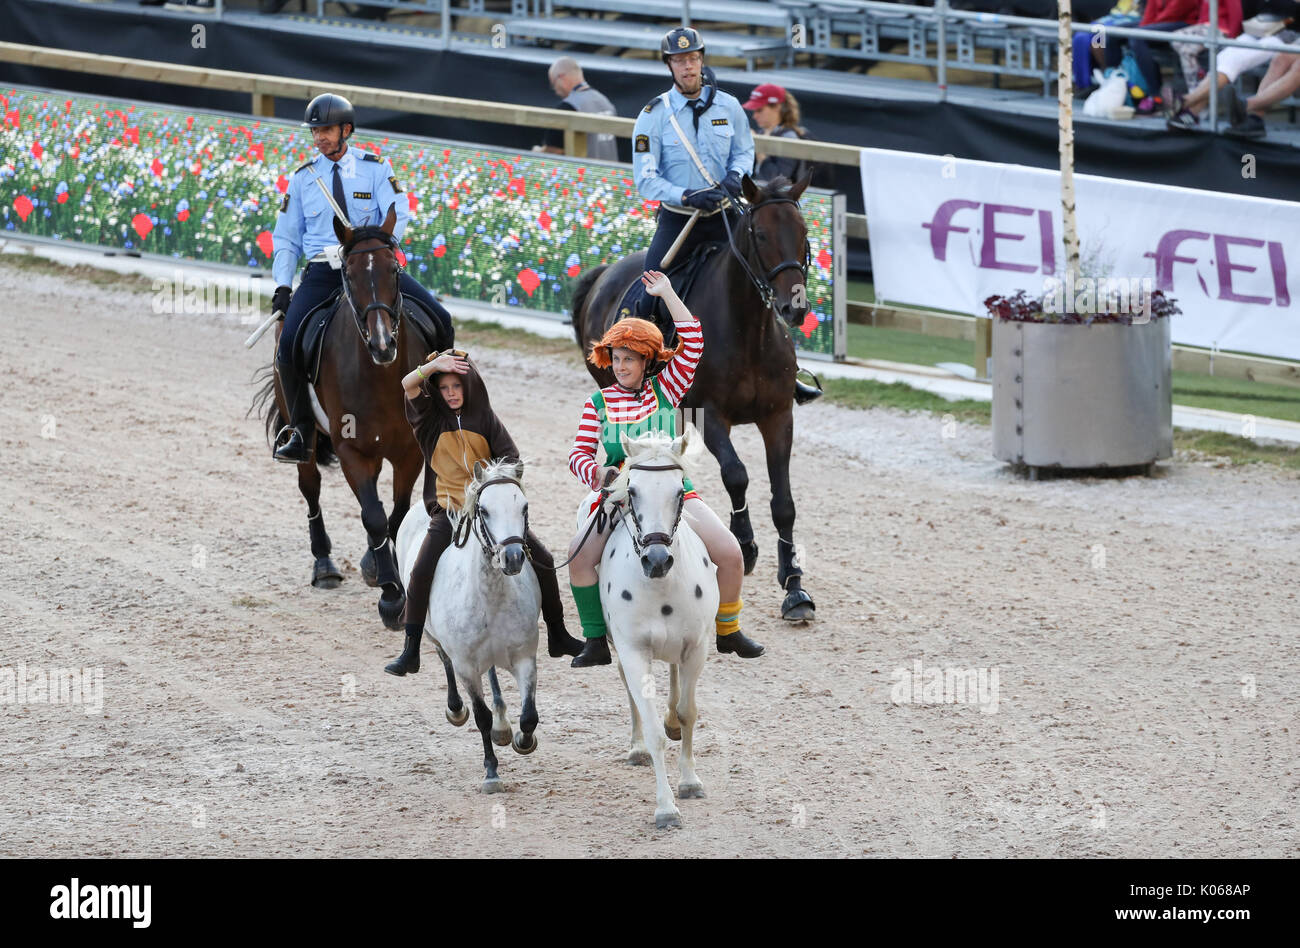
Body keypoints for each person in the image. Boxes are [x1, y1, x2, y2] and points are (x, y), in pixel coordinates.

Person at [566, 270, 764, 668]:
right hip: (621, 494)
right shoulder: (597, 403)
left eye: (629, 360)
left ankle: (728, 629)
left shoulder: (667, 389)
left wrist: (669, 293)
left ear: (646, 361)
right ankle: (595, 639)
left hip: (675, 492)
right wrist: (598, 474)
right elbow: (578, 454)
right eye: (615, 359)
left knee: (730, 552)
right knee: (577, 559)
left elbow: (693, 341)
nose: (620, 367)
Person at [629, 27, 820, 405]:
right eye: (680, 61)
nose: (688, 66)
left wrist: (736, 176)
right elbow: (645, 179)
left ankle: (788, 371)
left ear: (702, 61)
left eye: (693, 59)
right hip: (680, 220)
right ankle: (644, 373)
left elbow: (743, 151)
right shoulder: (652, 115)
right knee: (650, 294)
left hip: (727, 214)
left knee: (773, 281)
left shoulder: (729, 106)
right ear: (670, 65)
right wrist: (685, 194)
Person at [270, 93, 453, 463]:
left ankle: (444, 411)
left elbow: (397, 212)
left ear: (346, 130)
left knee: (441, 320)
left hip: (372, 263)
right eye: (315, 131)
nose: (319, 137)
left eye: (326, 130)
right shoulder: (303, 179)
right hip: (325, 269)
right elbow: (287, 238)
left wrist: (374, 245)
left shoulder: (376, 168)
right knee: (288, 343)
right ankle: (301, 432)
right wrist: (283, 286)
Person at [385, 350, 584, 675]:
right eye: (444, 387)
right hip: (449, 510)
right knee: (420, 570)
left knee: (545, 560)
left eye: (457, 386)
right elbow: (408, 385)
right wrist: (434, 366)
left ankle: (558, 633)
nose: (451, 393)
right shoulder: (428, 419)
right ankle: (411, 648)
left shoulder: (486, 419)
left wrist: (493, 487)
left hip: (491, 511)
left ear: (469, 387)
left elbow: (511, 459)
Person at [1166, 6, 1300, 133]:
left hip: (1285, 35)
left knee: (1278, 59)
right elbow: (1247, 14)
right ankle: (1192, 107)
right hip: (1256, 31)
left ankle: (1247, 110)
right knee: (1224, 58)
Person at [536, 57, 619, 161]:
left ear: (561, 77)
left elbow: (553, 152)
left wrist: (537, 152)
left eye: (553, 84)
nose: (556, 91)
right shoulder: (605, 101)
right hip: (611, 174)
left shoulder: (568, 106)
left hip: (583, 174)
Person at [742, 82, 810, 183]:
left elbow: (778, 182)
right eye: (754, 111)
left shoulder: (789, 137)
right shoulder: (760, 133)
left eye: (759, 110)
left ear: (777, 107)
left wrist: (759, 149)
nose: (754, 116)